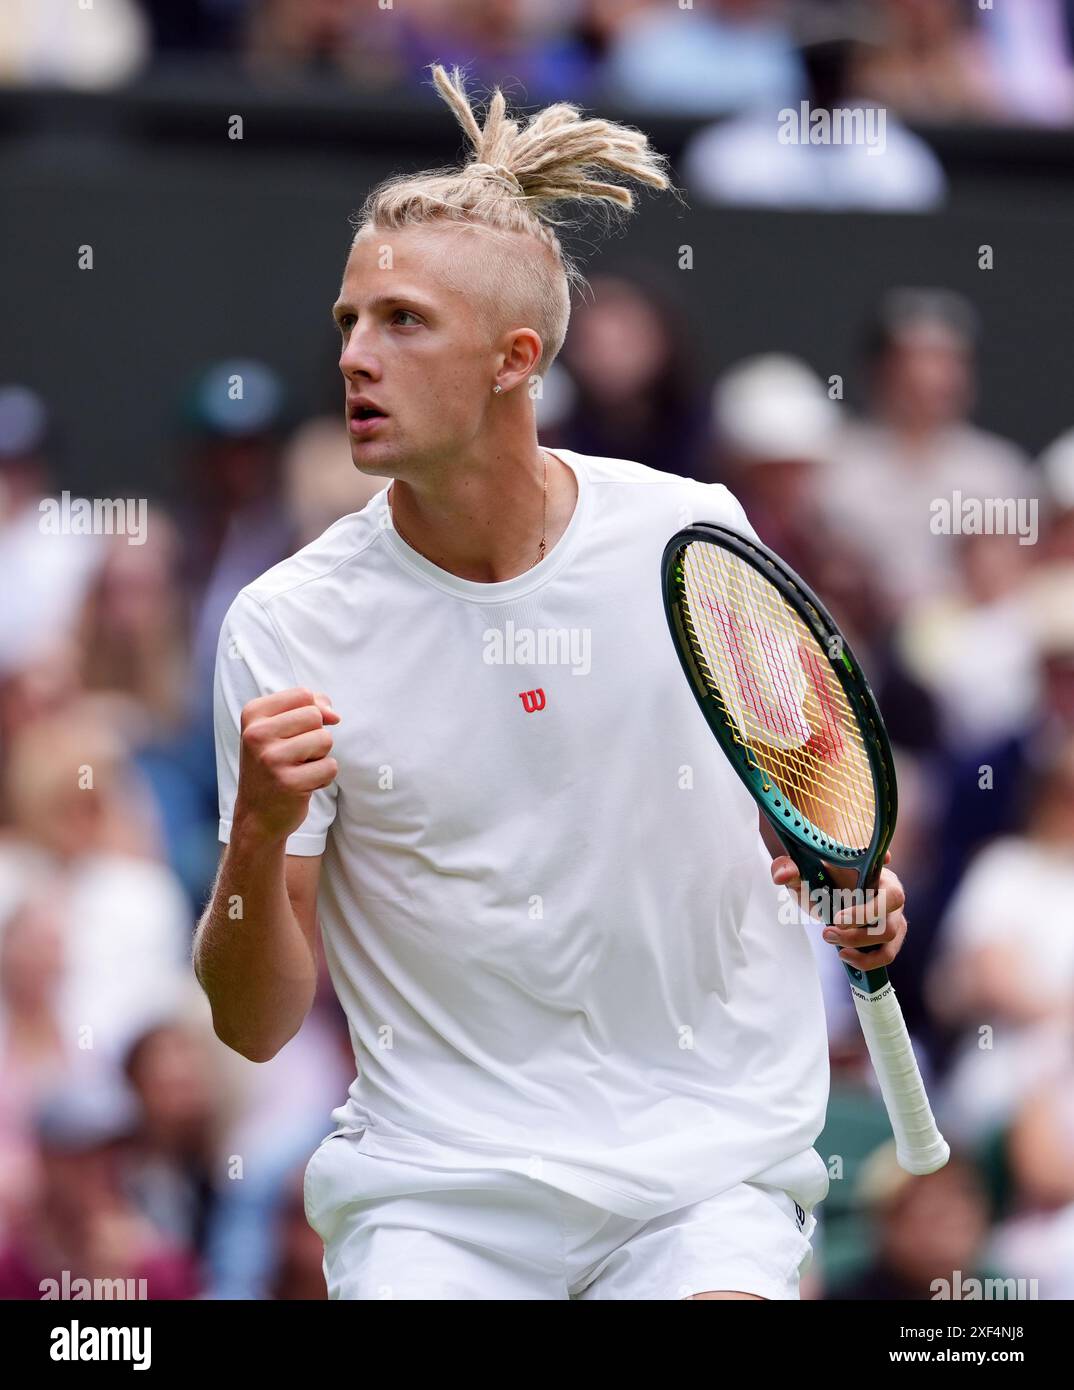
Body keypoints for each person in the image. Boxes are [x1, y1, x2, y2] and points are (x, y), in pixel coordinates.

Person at [195, 63, 909, 1302]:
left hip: (705, 1169)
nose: (357, 356)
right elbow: (252, 1027)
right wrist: (257, 834)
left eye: (404, 321)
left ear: (512, 360)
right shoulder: (286, 624)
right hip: (439, 1193)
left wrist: (854, 890)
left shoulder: (693, 535)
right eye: (350, 321)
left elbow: (812, 814)